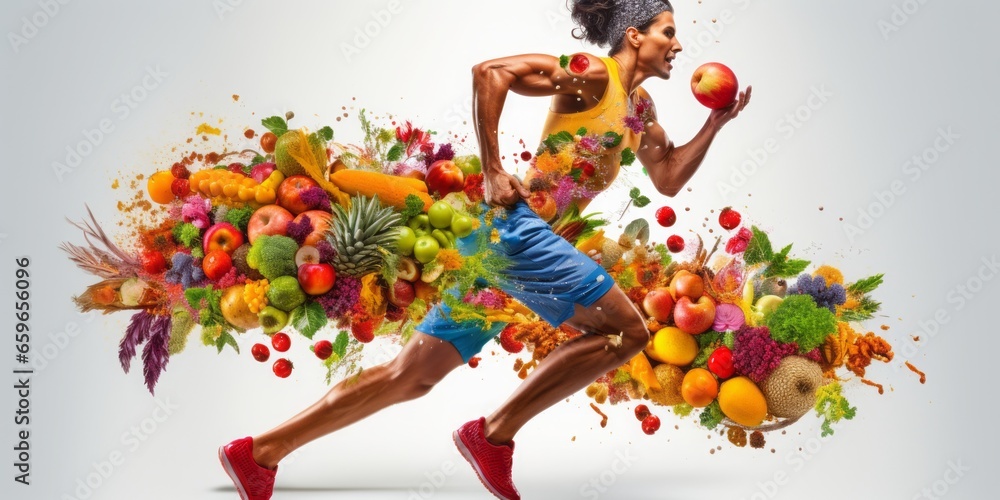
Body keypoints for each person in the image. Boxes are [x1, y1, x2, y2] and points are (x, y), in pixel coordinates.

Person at [218, 1, 751, 499]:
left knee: (412, 377)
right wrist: (494, 167)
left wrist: (713, 123)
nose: (678, 44)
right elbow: (491, 72)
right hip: (521, 234)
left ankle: (259, 453)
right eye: (668, 32)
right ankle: (492, 436)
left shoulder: (639, 107)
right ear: (634, 36)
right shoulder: (593, 74)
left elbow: (667, 176)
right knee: (626, 331)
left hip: (505, 246)